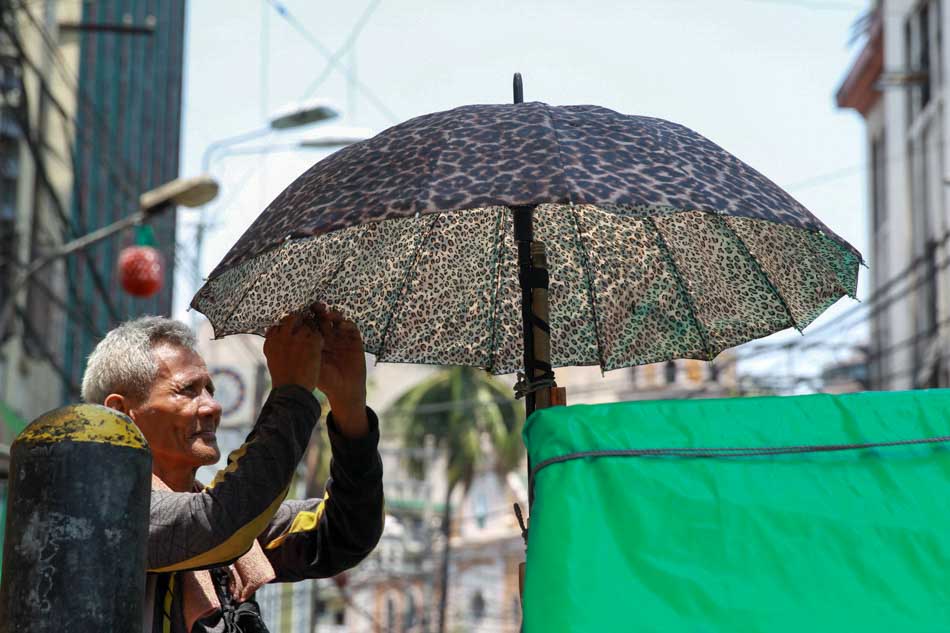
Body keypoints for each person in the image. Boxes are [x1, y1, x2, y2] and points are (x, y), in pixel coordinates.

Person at [80, 305, 383, 633]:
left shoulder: (231, 525)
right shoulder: (111, 513)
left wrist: (349, 406)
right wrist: (292, 393)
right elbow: (219, 522)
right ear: (122, 412)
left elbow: (344, 533)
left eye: (209, 389)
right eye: (188, 391)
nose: (213, 406)